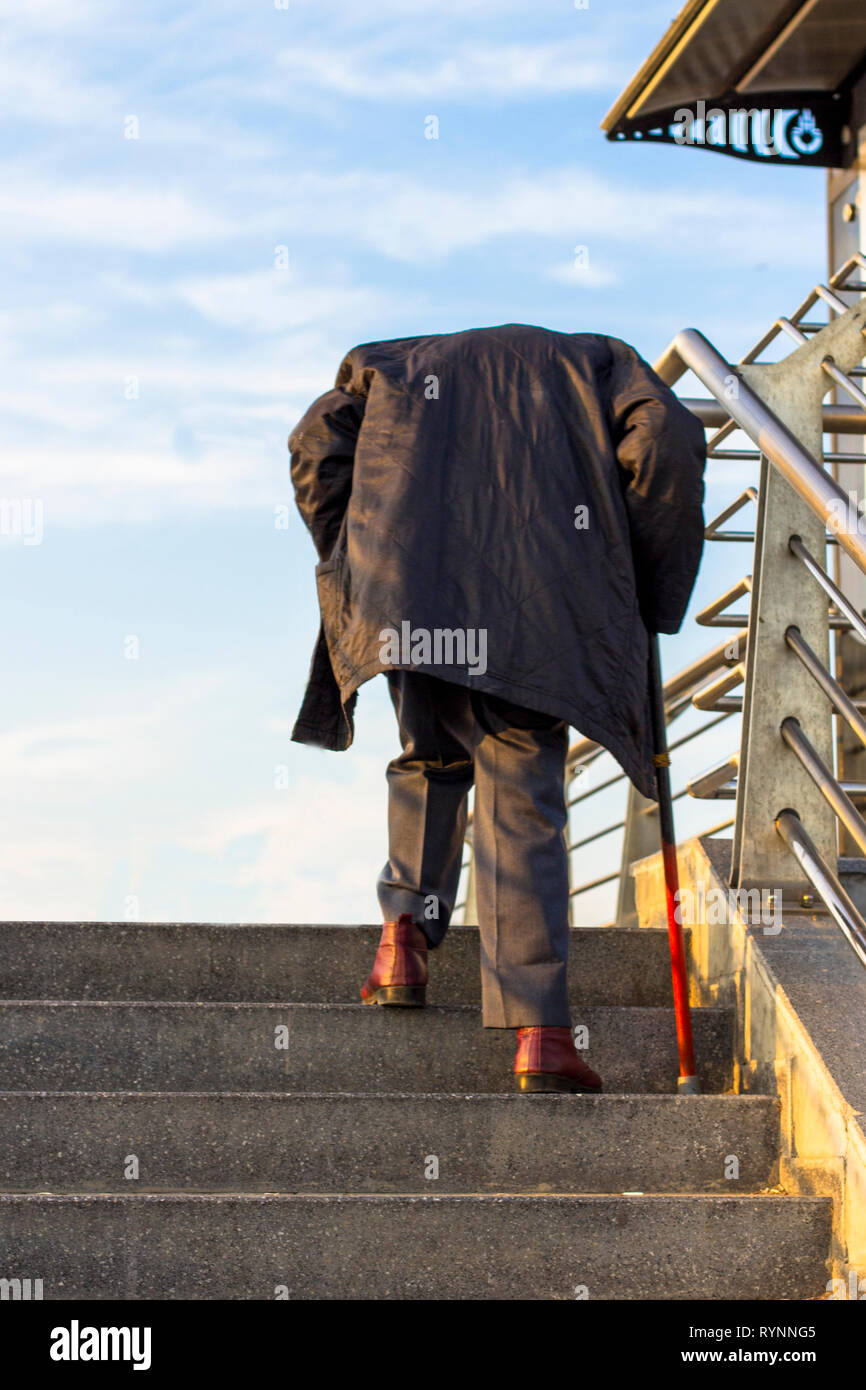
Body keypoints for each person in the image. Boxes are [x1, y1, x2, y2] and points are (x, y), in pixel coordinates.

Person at [289, 324, 706, 1092]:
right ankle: (541, 1034)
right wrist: (646, 574)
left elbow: (318, 447)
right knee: (520, 789)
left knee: (429, 752)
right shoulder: (602, 364)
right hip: (537, 600)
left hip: (408, 586)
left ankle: (402, 944)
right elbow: (666, 443)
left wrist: (359, 557)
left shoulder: (383, 365)